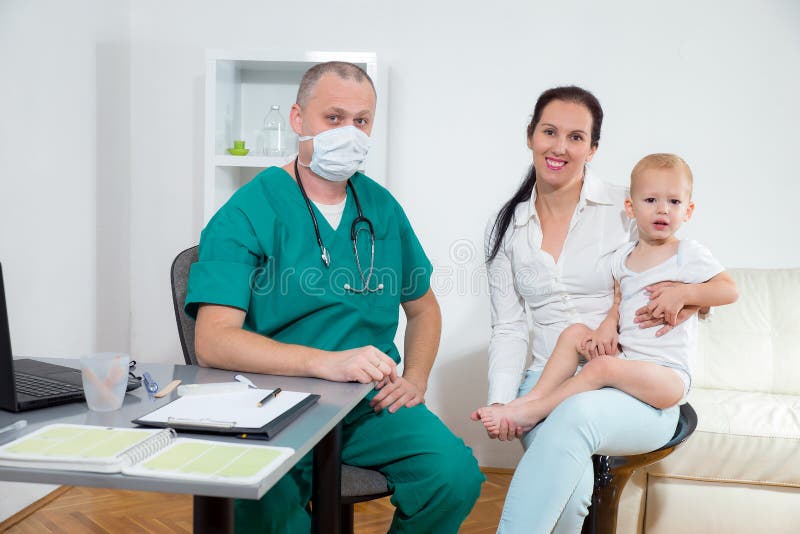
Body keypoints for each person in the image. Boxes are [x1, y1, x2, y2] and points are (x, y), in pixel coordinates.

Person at [185, 61, 483, 533]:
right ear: (298, 119)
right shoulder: (246, 212)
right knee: (263, 508)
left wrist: (417, 377)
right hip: (275, 404)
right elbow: (213, 342)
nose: (350, 132)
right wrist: (325, 363)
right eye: (334, 117)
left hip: (369, 405)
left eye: (361, 121)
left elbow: (423, 308)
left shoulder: (380, 207)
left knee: (453, 476)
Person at [469, 86, 737, 533]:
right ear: (530, 135)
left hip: (630, 380)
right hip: (548, 379)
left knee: (574, 418)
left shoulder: (630, 205)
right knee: (570, 500)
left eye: (576, 137)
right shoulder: (508, 228)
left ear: (593, 148)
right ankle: (532, 408)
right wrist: (504, 401)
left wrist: (684, 300)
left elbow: (680, 272)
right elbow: (509, 329)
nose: (560, 147)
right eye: (549, 132)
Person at [475, 153, 738, 435]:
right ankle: (529, 399)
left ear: (688, 210)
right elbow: (618, 302)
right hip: (629, 361)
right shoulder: (622, 257)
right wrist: (608, 325)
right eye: (651, 200)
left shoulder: (687, 253)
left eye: (674, 202)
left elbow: (729, 290)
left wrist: (686, 294)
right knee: (575, 332)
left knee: (601, 368)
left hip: (668, 375)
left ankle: (535, 412)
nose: (662, 210)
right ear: (631, 207)